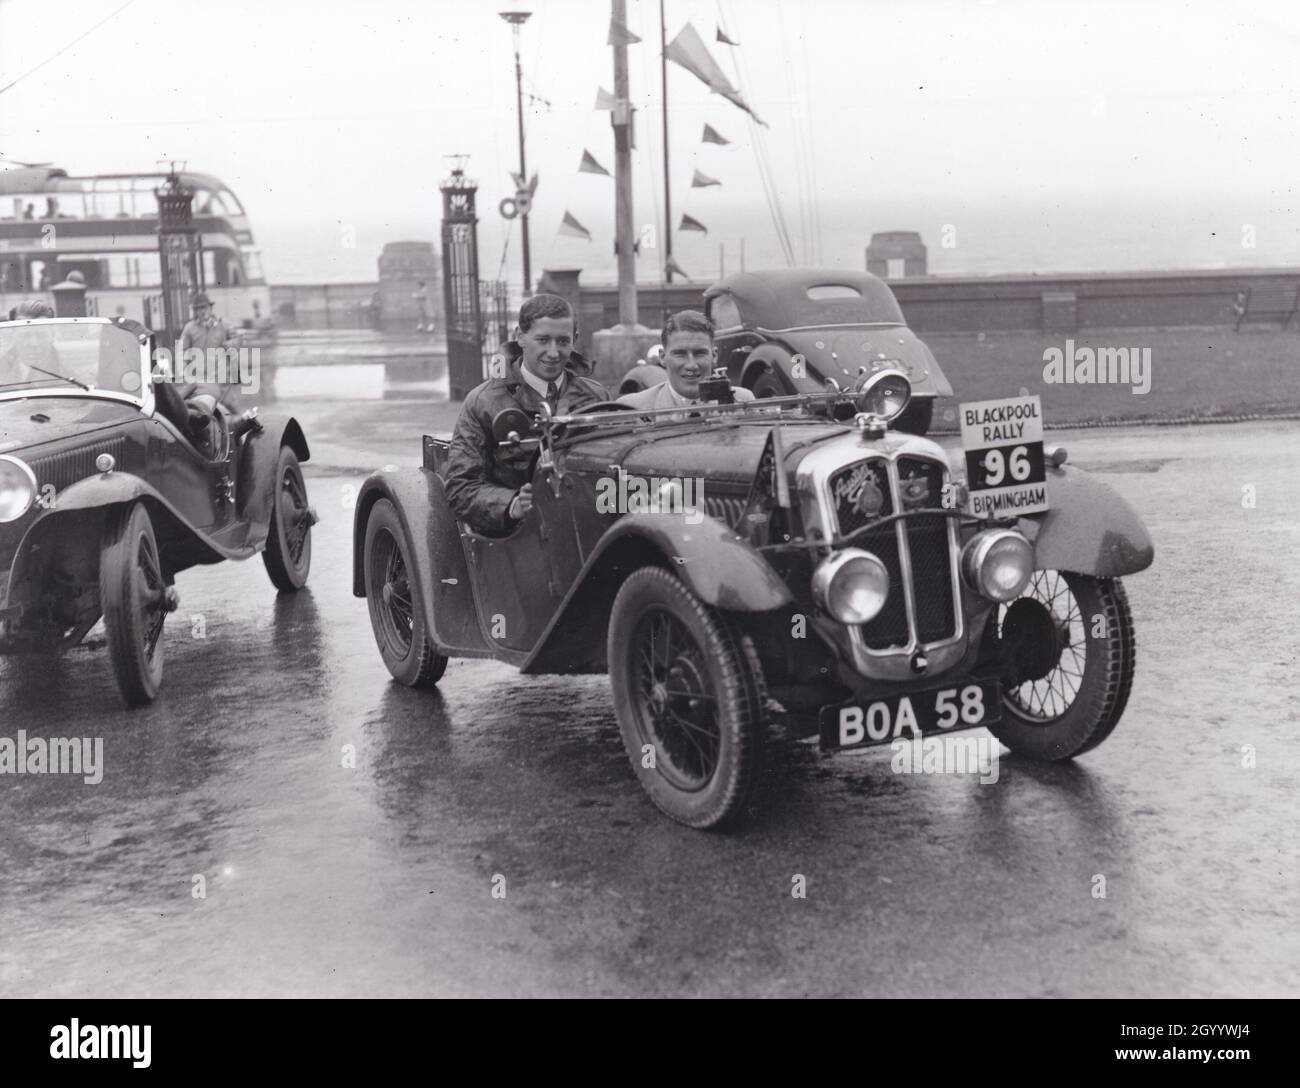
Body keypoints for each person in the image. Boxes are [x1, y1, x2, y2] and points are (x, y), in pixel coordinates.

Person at [445, 293, 609, 535]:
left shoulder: (597, 396)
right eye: (542, 340)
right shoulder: (483, 401)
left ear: (574, 340)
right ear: (520, 337)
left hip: (590, 526)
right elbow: (461, 487)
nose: (553, 353)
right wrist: (512, 505)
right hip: (521, 537)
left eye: (563, 342)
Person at [617, 310, 755, 414]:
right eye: (680, 354)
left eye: (700, 353)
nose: (691, 365)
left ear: (714, 356)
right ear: (662, 357)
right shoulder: (631, 408)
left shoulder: (744, 401)